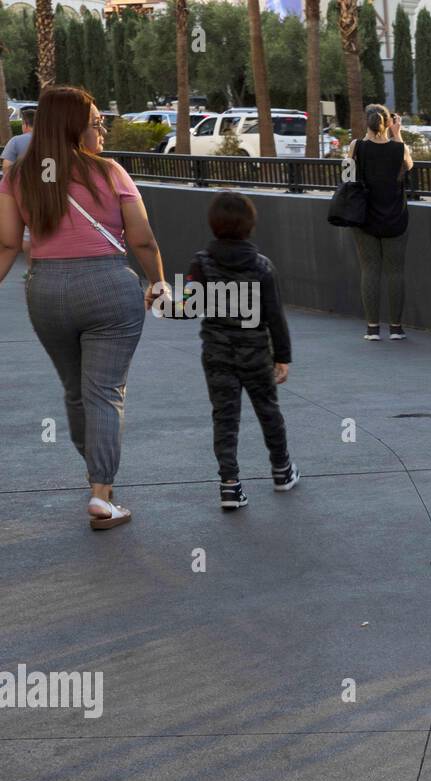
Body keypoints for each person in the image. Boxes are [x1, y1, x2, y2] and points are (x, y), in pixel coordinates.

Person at [0, 86, 167, 529]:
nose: (101, 128)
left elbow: (6, 244)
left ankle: (99, 479)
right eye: (95, 121)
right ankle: (100, 492)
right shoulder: (110, 172)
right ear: (76, 126)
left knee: (76, 391)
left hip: (46, 290)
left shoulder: (16, 177)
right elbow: (142, 238)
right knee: (105, 393)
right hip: (110, 286)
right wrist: (159, 280)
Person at [183, 191, 299, 509]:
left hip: (217, 354)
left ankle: (230, 485)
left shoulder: (201, 262)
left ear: (213, 224)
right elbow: (275, 315)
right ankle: (282, 471)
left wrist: (162, 300)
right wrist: (282, 357)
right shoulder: (262, 266)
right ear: (250, 225)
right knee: (268, 411)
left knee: (225, 417)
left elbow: (190, 305)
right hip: (255, 352)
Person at [349, 104, 413, 341]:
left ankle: (372, 328)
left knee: (369, 269)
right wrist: (397, 134)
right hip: (396, 216)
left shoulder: (357, 147)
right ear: (389, 122)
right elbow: (409, 166)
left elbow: (347, 176)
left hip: (364, 216)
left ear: (366, 122)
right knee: (395, 271)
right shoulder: (399, 148)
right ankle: (396, 328)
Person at [3, 107, 37, 255]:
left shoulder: (15, 141)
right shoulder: (50, 141)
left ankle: (31, 270)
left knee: (26, 235)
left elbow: (7, 169)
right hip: (46, 192)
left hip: (22, 192)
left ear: (25, 124)